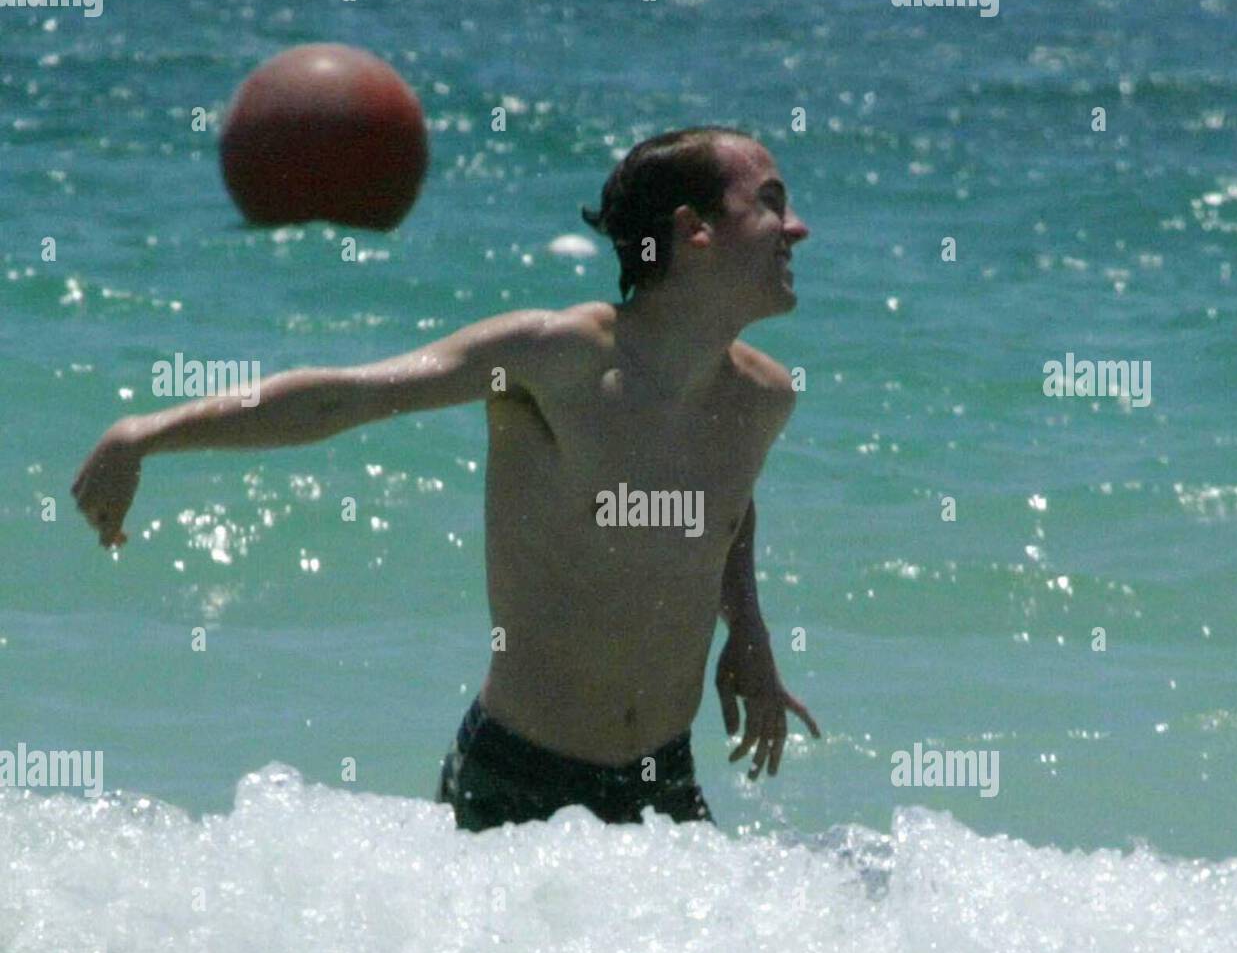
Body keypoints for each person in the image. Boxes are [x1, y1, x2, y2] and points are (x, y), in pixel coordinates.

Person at [71, 125, 820, 832]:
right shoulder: (554, 360)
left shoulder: (761, 398)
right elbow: (347, 395)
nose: (796, 229)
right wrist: (148, 435)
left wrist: (747, 630)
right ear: (694, 230)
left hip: (662, 781)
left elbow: (723, 504)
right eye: (771, 203)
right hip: (517, 778)